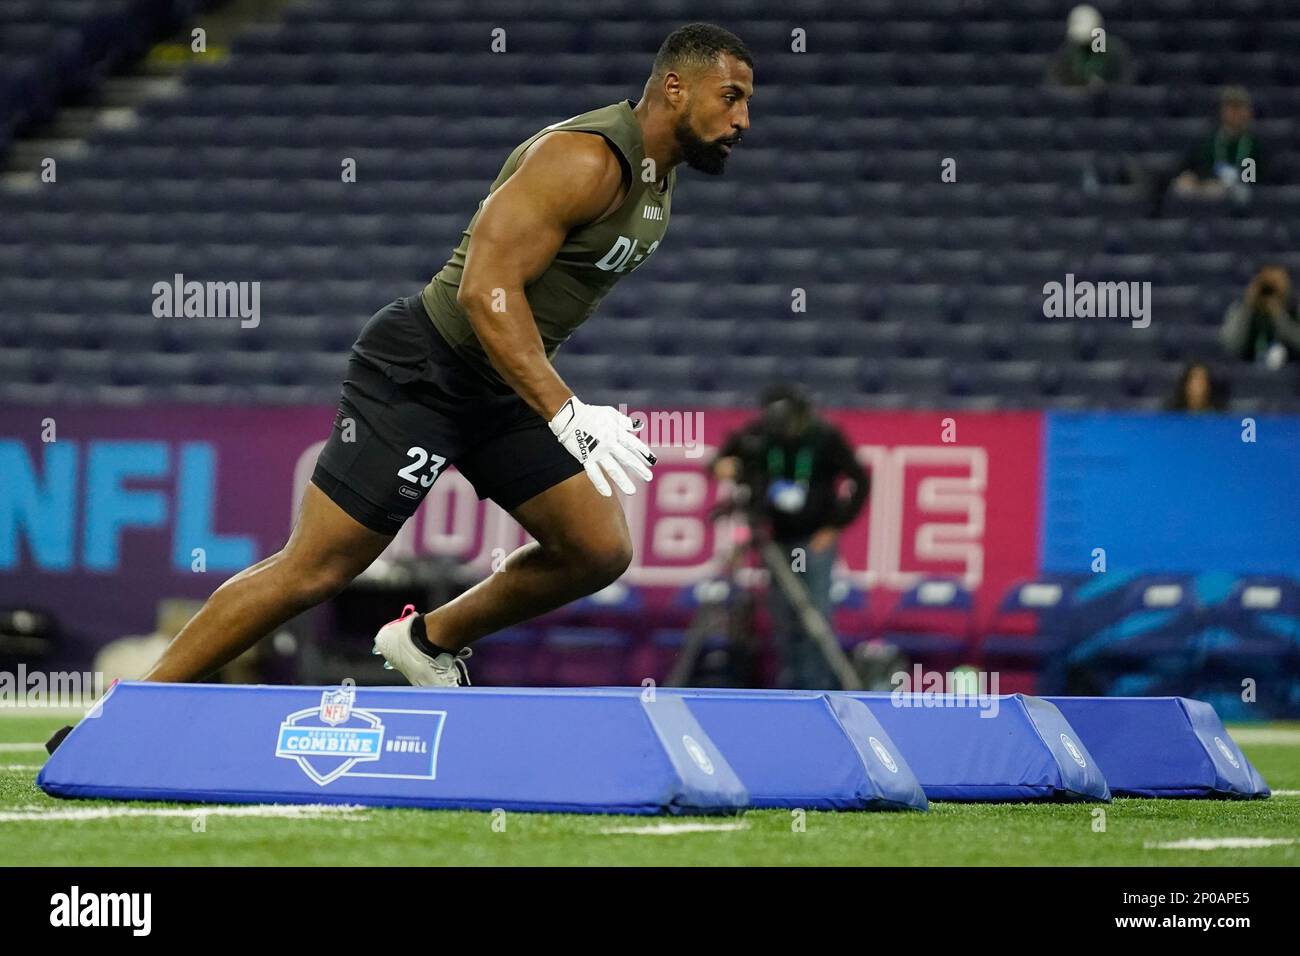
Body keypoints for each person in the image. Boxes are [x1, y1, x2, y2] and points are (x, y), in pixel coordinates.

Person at [138, 24, 753, 690]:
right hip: (427, 366)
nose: (742, 118)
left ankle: (426, 641)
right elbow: (484, 293)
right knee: (316, 568)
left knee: (596, 549)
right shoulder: (585, 159)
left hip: (500, 382)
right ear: (673, 87)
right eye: (730, 97)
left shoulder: (660, 178)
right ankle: (135, 706)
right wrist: (567, 413)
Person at [712, 385, 869, 689]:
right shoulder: (763, 434)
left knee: (813, 617)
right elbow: (724, 458)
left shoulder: (825, 437)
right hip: (776, 539)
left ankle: (816, 688)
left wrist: (835, 525)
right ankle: (791, 686)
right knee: (783, 617)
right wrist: (722, 466)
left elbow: (860, 480)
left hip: (813, 541)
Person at [1171, 86, 1263, 200]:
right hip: (1208, 197)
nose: (1236, 113)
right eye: (1231, 107)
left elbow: (1259, 180)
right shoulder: (1206, 143)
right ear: (1222, 111)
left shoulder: (1256, 145)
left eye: (1240, 107)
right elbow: (1187, 170)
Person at [1220, 266, 1300, 368]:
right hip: (1249, 374)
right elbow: (1232, 346)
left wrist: (1279, 315)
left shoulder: (1296, 309)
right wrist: (1248, 306)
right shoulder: (1240, 309)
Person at [1044, 4, 1134, 88]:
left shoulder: (1115, 50)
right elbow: (1054, 78)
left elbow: (1126, 78)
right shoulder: (1068, 51)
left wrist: (1106, 88)